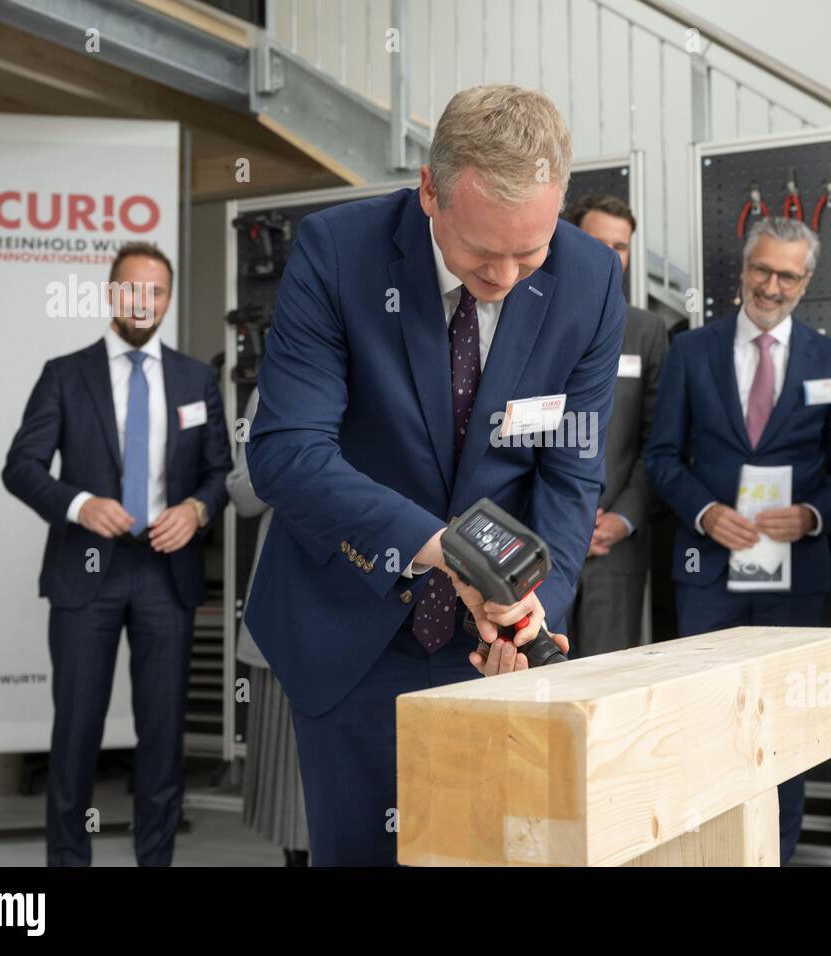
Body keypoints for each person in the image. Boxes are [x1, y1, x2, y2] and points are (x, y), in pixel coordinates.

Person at [243, 85, 625, 866]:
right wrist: (447, 551)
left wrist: (532, 607)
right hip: (349, 622)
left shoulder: (590, 279)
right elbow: (287, 454)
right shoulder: (338, 253)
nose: (508, 276)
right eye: (483, 252)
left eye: (531, 251)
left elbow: (571, 472)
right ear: (429, 190)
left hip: (491, 639)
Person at [2, 243, 231, 866]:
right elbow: (21, 467)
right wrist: (79, 505)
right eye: (133, 290)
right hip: (86, 570)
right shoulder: (64, 374)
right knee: (76, 729)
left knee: (163, 731)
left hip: (165, 571)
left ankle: (155, 860)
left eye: (156, 292)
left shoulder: (195, 379)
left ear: (169, 299)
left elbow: (219, 472)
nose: (144, 303)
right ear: (110, 295)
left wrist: (196, 510)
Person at [645, 217, 831, 864]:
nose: (771, 286)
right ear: (742, 270)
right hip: (709, 575)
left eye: (787, 275)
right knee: (707, 725)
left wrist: (812, 516)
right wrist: (705, 513)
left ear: (806, 282)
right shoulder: (691, 351)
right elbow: (660, 457)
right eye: (761, 269)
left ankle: (777, 856)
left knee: (784, 731)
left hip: (797, 578)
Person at [562, 194, 668, 656]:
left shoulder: (647, 332)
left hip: (614, 548)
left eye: (620, 247)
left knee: (610, 684)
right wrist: (559, 519)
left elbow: (658, 441)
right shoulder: (528, 319)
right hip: (540, 546)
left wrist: (623, 518)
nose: (609, 256)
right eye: (596, 242)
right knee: (535, 684)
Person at [225, 388, 310, 866]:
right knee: (288, 776)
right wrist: (293, 455)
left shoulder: (389, 377)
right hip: (289, 604)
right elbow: (242, 494)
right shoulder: (275, 389)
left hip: (375, 599)